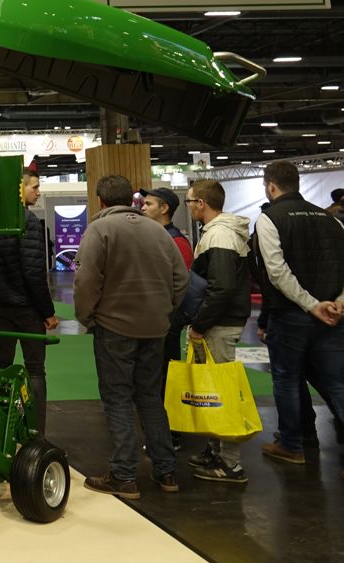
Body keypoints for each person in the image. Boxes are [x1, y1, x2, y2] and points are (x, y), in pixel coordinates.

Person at [75, 174, 188, 499]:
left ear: (100, 200)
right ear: (131, 200)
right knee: (150, 398)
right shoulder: (158, 231)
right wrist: (164, 310)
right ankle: (166, 471)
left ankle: (124, 476)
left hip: (114, 328)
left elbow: (85, 279)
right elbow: (181, 279)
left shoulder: (99, 229)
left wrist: (87, 316)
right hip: (155, 328)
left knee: (118, 399)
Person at [253, 161, 344, 468]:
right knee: (337, 383)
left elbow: (276, 272)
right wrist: (338, 302)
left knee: (287, 380)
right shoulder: (332, 220)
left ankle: (292, 445)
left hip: (291, 314)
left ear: (270, 186)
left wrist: (310, 304)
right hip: (332, 315)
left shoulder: (269, 219)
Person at [0, 170, 58, 435]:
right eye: (35, 187)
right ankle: (37, 434)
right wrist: (48, 312)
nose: (38, 192)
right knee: (35, 371)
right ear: (19, 188)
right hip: (28, 310)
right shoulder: (27, 221)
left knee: (1, 368)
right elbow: (33, 272)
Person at [184, 179, 252, 484]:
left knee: (222, 392)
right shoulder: (217, 232)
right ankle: (215, 451)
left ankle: (230, 464)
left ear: (201, 203)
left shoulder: (220, 235)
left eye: (189, 201)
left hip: (219, 325)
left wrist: (200, 325)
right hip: (219, 322)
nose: (188, 207)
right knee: (212, 391)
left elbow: (221, 287)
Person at [139, 186, 195, 450]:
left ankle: (169, 435)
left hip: (166, 322)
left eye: (149, 204)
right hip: (152, 321)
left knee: (164, 379)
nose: (143, 207)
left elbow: (180, 285)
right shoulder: (154, 237)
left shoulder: (177, 242)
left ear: (164, 209)